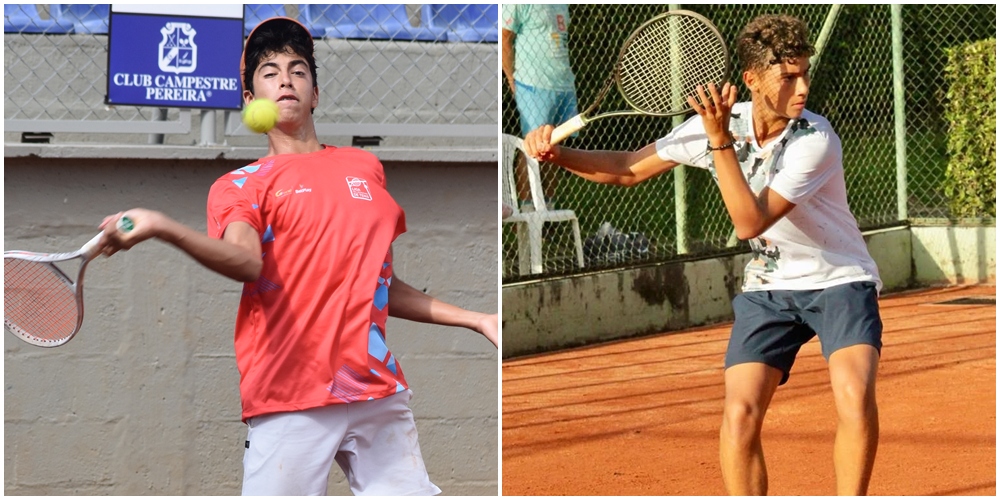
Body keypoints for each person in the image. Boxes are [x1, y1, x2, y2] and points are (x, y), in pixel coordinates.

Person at [98, 17, 497, 496]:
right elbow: (246, 262)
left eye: (298, 69)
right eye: (268, 71)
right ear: (251, 101)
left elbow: (379, 285)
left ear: (315, 93)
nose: (285, 78)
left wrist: (477, 320)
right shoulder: (241, 186)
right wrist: (162, 226)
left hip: (375, 389)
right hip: (291, 397)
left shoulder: (364, 167)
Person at [523, 14, 882, 496]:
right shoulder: (718, 125)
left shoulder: (815, 140)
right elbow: (628, 169)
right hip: (772, 287)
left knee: (854, 396)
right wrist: (558, 156)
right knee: (739, 414)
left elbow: (748, 222)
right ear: (752, 80)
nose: (802, 88)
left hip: (839, 278)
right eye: (788, 76)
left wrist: (719, 142)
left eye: (805, 74)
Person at [501, 4, 579, 211]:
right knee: (531, 148)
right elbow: (504, 38)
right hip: (533, 84)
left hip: (564, 84)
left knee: (554, 148)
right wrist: (512, 79)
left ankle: (547, 213)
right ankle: (527, 213)